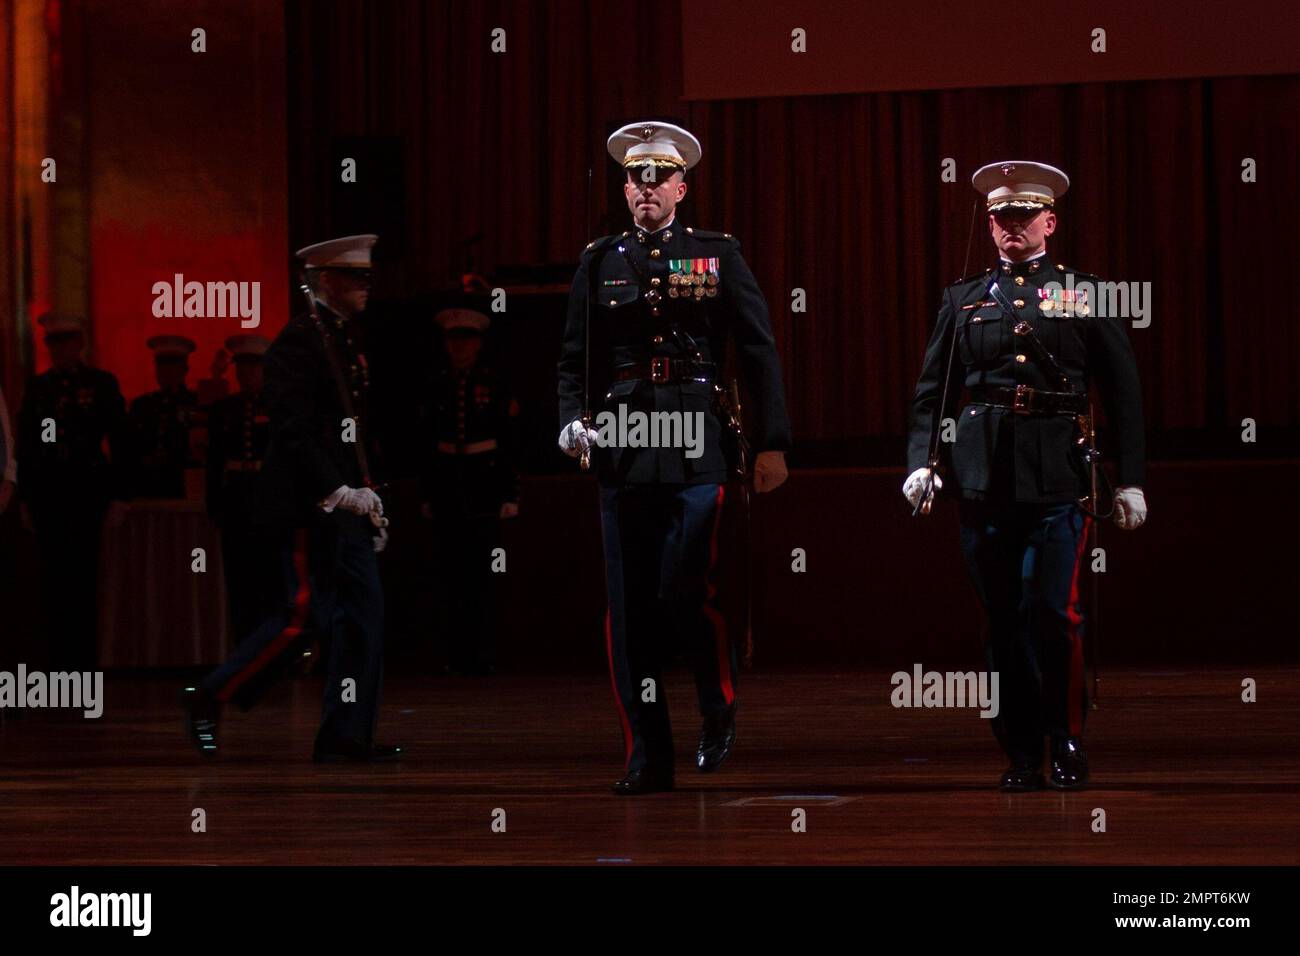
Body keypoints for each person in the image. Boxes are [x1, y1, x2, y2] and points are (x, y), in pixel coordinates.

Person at [557, 121, 792, 795]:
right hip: (625, 444)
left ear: (681, 187)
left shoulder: (716, 256)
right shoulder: (599, 261)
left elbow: (757, 349)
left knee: (686, 587)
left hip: (697, 442)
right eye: (637, 178)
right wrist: (572, 420)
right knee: (630, 609)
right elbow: (573, 358)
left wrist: (772, 442)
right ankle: (646, 755)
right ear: (626, 189)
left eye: (660, 177)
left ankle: (717, 702)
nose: (647, 188)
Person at [904, 161, 1148, 792]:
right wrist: (922, 462)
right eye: (1000, 217)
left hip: (1058, 475)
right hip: (983, 474)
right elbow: (934, 392)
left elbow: (1122, 392)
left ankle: (1064, 737)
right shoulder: (964, 300)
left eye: (1022, 216)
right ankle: (1019, 746)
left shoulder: (1083, 292)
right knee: (1001, 616)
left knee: (1054, 612)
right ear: (990, 225)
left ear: (1049, 222)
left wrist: (1130, 479)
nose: (1011, 227)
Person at [182, 234, 401, 762]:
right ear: (328, 281)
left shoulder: (342, 340)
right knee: (304, 618)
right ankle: (211, 693)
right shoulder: (299, 343)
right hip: (311, 505)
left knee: (364, 619)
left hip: (347, 504)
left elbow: (349, 428)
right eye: (356, 278)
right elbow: (295, 430)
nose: (366, 287)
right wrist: (336, 490)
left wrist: (368, 496)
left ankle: (345, 735)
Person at [16, 313, 129, 669]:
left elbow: (121, 439)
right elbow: (29, 445)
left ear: (80, 343)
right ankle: (57, 661)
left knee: (83, 577)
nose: (60, 349)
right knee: (52, 579)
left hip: (86, 490)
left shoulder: (100, 384)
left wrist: (120, 495)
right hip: (49, 492)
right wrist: (25, 499)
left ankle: (82, 661)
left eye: (67, 341)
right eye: (54, 342)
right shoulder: (39, 388)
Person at [418, 307, 519, 675]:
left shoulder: (494, 382)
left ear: (478, 344)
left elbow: (508, 440)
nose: (460, 347)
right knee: (451, 573)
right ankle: (456, 653)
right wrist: (427, 494)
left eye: (467, 339)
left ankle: (485, 653)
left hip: (485, 485)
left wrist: (510, 493)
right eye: (454, 340)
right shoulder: (436, 383)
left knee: (487, 573)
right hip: (448, 484)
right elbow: (427, 443)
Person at [206, 334, 278, 645]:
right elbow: (214, 460)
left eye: (254, 367)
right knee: (239, 579)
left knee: (269, 577)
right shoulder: (224, 409)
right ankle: (244, 645)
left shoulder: (279, 407)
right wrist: (215, 504)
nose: (246, 373)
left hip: (267, 497)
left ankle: (269, 648)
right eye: (242, 367)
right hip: (236, 499)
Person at [127, 335, 200, 499]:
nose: (167, 371)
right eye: (162, 365)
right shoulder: (142, 405)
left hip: (184, 486)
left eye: (173, 365)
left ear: (185, 369)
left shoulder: (197, 403)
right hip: (147, 486)